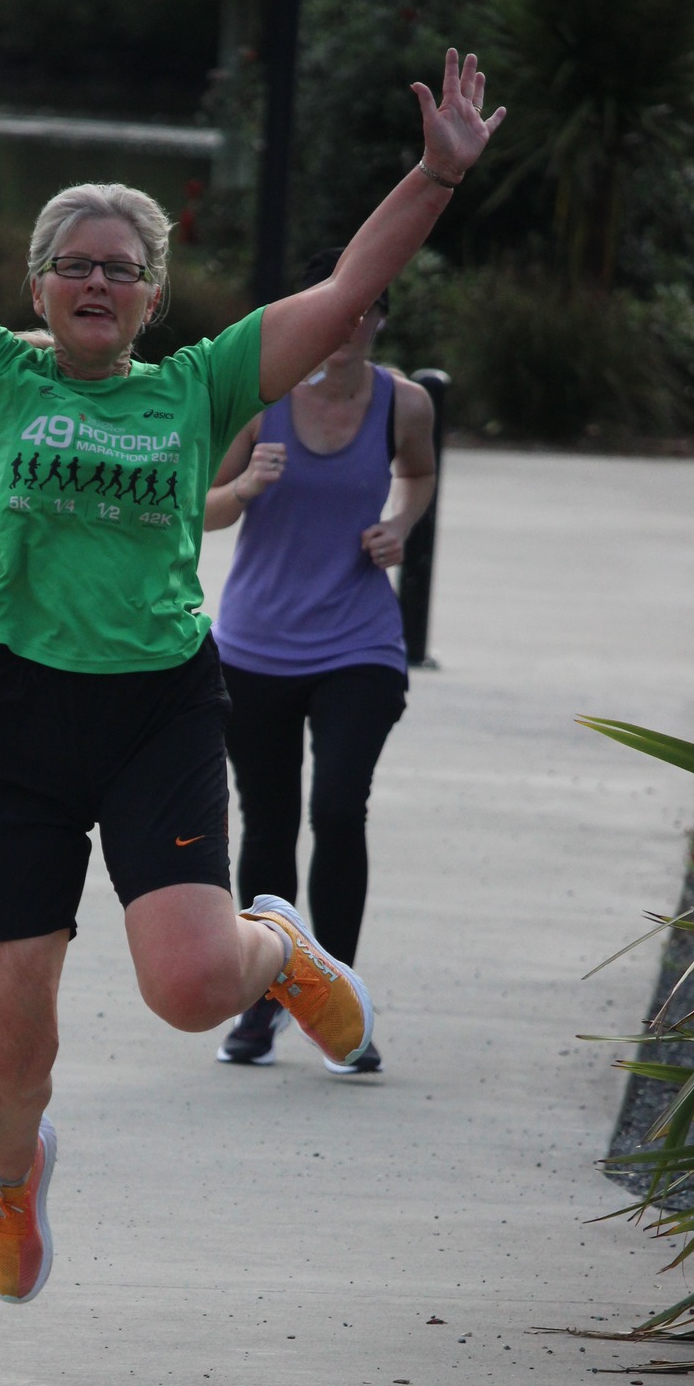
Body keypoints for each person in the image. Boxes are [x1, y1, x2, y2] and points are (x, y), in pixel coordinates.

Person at [0, 8, 504, 1303]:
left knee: (191, 989)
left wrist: (436, 171)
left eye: (119, 267)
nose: (95, 283)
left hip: (159, 702)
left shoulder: (200, 385)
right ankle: (12, 1179)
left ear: (153, 293)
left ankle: (284, 945)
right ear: (38, 283)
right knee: (7, 1044)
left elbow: (340, 299)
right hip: (10, 710)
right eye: (72, 264)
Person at [205, 254, 437, 1075]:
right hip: (254, 648)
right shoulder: (256, 400)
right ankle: (267, 999)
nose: (348, 325)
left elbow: (417, 473)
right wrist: (244, 492)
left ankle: (341, 1003)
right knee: (267, 825)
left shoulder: (403, 404)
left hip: (358, 644)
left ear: (378, 320)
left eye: (366, 311)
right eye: (334, 309)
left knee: (339, 809)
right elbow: (193, 507)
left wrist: (400, 525)